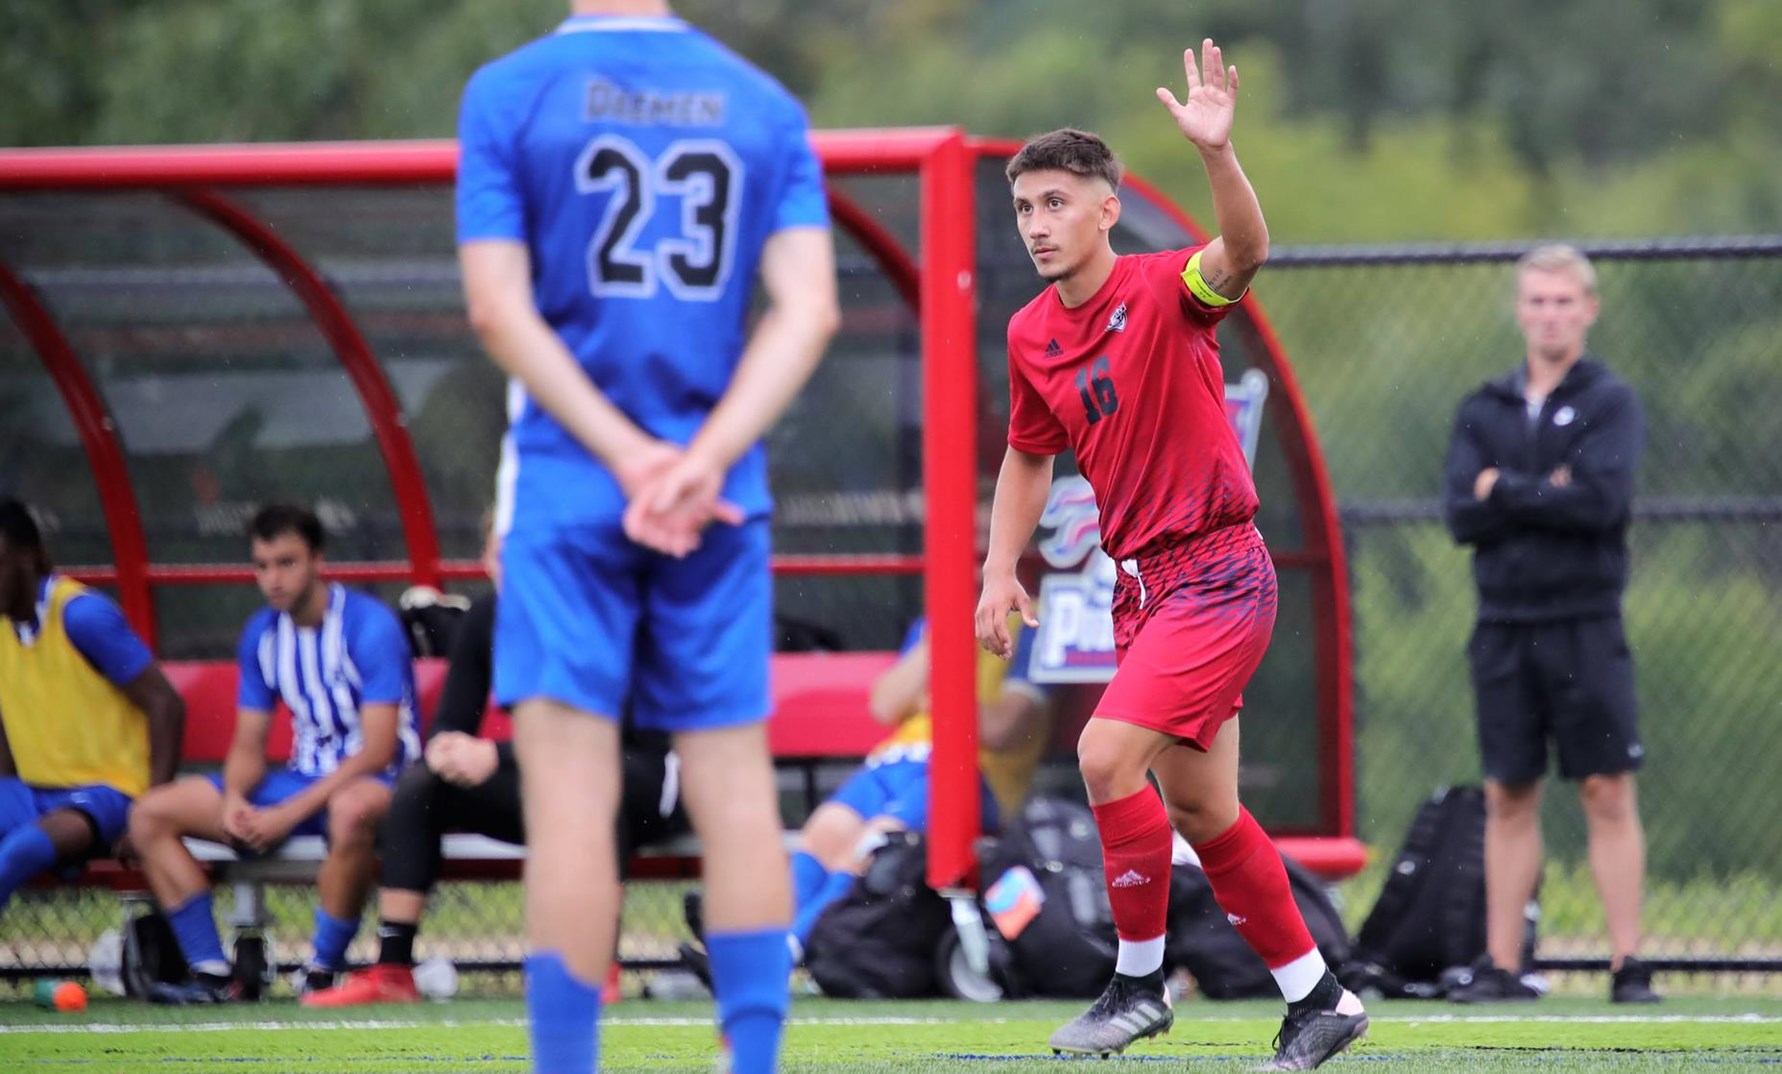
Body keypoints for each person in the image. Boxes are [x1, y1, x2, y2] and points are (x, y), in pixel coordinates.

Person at [455, 2, 838, 1070]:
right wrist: (703, 458)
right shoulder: (765, 105)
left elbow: (498, 311)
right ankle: (748, 1062)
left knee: (571, 805)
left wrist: (627, 458)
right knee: (736, 787)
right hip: (717, 497)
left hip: (573, 488)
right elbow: (807, 311)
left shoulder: (508, 92)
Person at [974, 41, 1367, 1070]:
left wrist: (1218, 155)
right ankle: (1318, 998)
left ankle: (1138, 986)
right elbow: (1025, 459)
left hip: (1221, 572)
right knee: (1202, 807)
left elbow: (1244, 251)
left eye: (1057, 203)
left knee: (1104, 758)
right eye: (1026, 209)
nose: (1038, 226)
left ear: (1107, 209)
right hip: (1140, 587)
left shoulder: (1163, 289)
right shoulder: (1027, 334)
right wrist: (996, 568)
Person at [303, 526, 686, 1008]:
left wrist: (496, 756)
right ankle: (393, 970)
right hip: (553, 782)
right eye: (503, 554)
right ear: (487, 560)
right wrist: (446, 750)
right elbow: (452, 722)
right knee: (424, 784)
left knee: (590, 786)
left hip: (644, 779)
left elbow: (599, 735)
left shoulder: (598, 614)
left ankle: (592, 968)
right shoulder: (487, 618)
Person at [1442, 245, 1658, 1005]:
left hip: (1584, 621)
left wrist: (1506, 488)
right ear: (1519, 310)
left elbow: (1600, 502)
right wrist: (1543, 493)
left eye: (1564, 301)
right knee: (1508, 791)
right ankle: (1504, 966)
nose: (1550, 314)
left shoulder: (1611, 401)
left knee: (1604, 789)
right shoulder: (1485, 406)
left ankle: (1628, 963)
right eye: (1537, 301)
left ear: (1588, 309)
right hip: (1503, 624)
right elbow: (1460, 514)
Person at [128, 503, 421, 1003]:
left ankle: (321, 972)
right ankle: (213, 975)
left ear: (318, 560)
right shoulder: (261, 634)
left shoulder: (370, 626)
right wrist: (235, 800)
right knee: (149, 815)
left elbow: (377, 751)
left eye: (287, 562)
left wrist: (284, 815)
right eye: (262, 565)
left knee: (350, 811)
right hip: (302, 780)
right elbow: (247, 743)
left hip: (382, 782)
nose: (273, 579)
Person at [679, 615, 1053, 977]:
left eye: (986, 549)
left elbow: (1005, 726)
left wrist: (934, 702)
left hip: (968, 773)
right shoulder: (938, 616)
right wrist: (948, 628)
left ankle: (777, 960)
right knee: (823, 833)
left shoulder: (1032, 624)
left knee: (869, 843)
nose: (978, 557)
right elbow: (885, 704)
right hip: (894, 762)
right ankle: (753, 951)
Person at [0, 499, 185, 910]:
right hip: (35, 795)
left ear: (28, 556)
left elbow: (166, 705)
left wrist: (150, 812)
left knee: (18, 852)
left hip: (108, 796)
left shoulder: (81, 615)